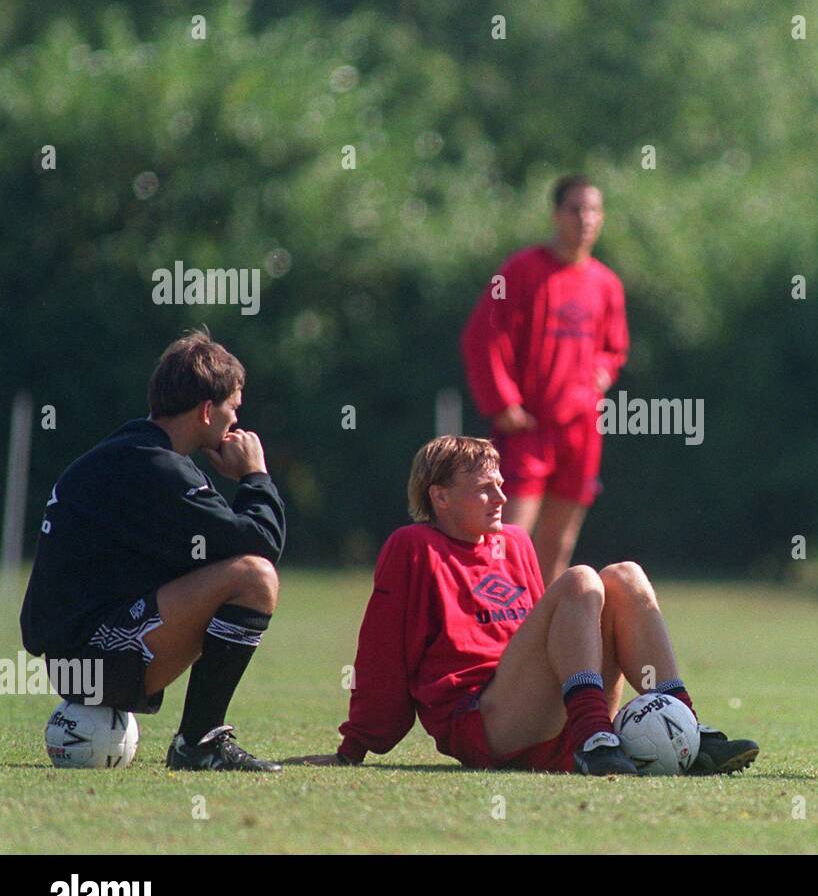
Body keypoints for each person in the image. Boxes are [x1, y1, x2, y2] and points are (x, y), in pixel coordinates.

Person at [288, 436, 757, 776]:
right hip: (482, 719)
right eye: (484, 488)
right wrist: (354, 747)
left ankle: (687, 730)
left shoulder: (512, 541)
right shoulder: (412, 547)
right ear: (440, 496)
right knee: (579, 580)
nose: (502, 498)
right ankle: (595, 737)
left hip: (551, 707)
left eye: (500, 484)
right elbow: (382, 652)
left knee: (625, 576)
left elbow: (551, 634)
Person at [20, 329, 287, 771]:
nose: (235, 424)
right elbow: (262, 544)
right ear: (206, 410)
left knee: (233, 570)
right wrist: (255, 476)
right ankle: (198, 744)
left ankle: (196, 742)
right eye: (232, 410)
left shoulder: (129, 452)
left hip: (73, 658)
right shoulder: (158, 470)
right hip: (93, 661)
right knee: (254, 578)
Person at [460, 175, 628, 584]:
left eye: (593, 210)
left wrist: (604, 370)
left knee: (560, 544)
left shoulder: (606, 283)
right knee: (507, 536)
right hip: (529, 427)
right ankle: (494, 632)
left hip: (581, 429)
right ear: (556, 214)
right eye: (575, 209)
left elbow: (614, 347)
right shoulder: (522, 270)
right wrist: (503, 403)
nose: (584, 219)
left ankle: (550, 637)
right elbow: (483, 334)